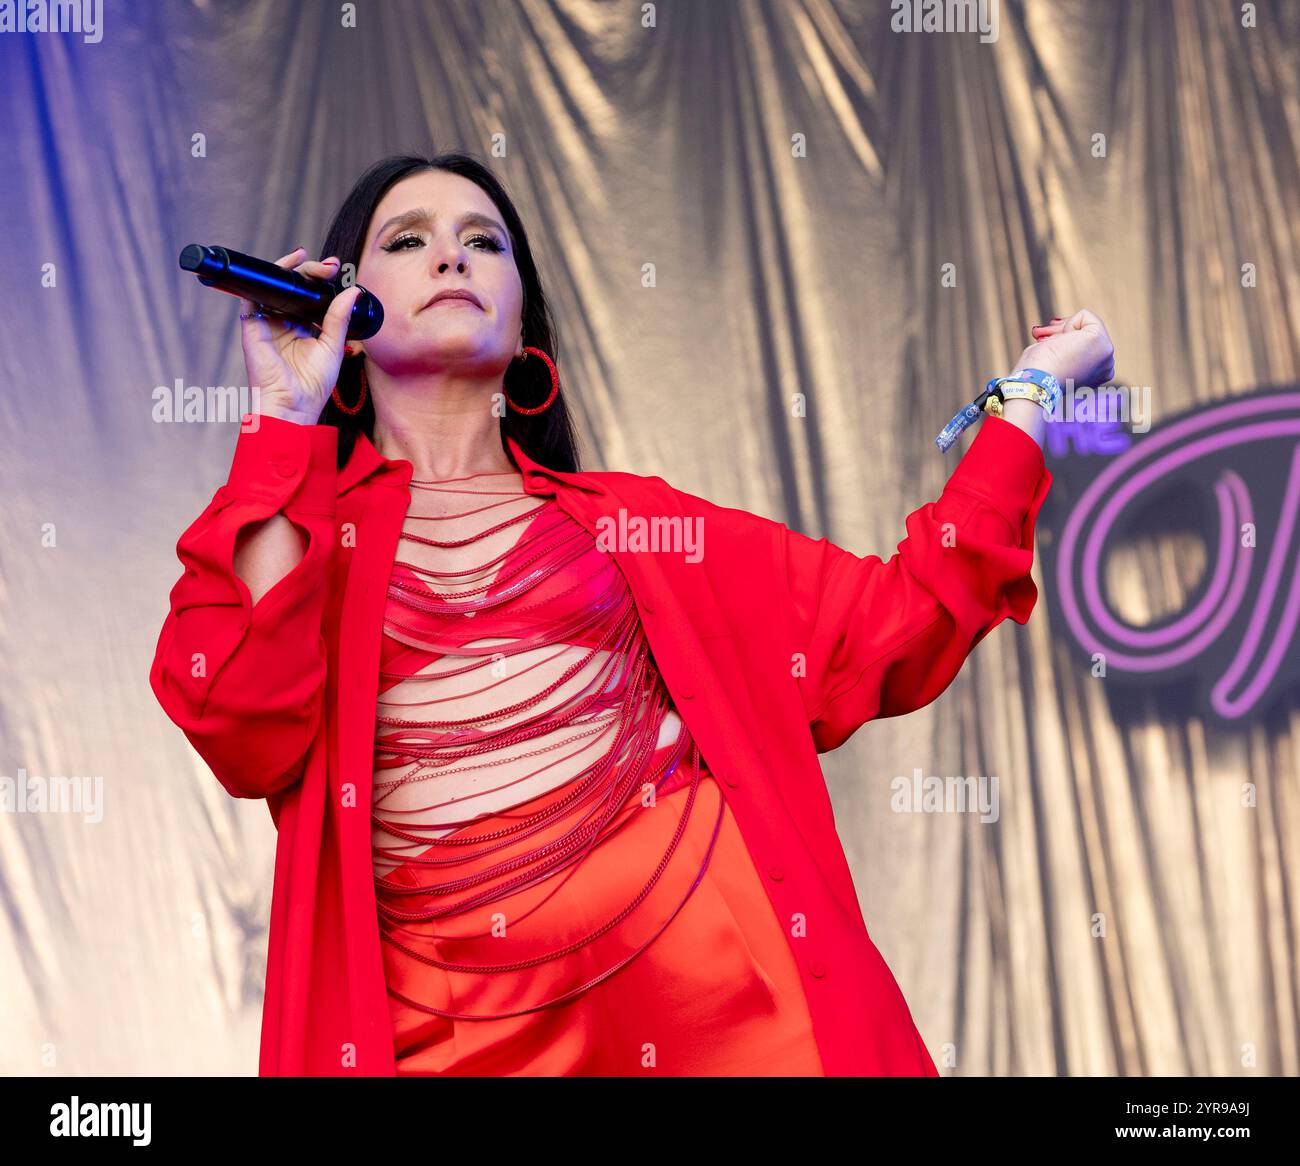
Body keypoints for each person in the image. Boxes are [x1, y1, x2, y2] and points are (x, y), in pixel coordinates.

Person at [149, 152, 1114, 1077]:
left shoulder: (641, 526)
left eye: (484, 242)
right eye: (405, 241)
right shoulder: (309, 535)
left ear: (528, 325)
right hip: (446, 1033)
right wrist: (284, 422)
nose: (450, 255)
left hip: (729, 1015)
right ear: (343, 313)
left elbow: (907, 615)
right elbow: (240, 724)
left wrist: (1030, 399)